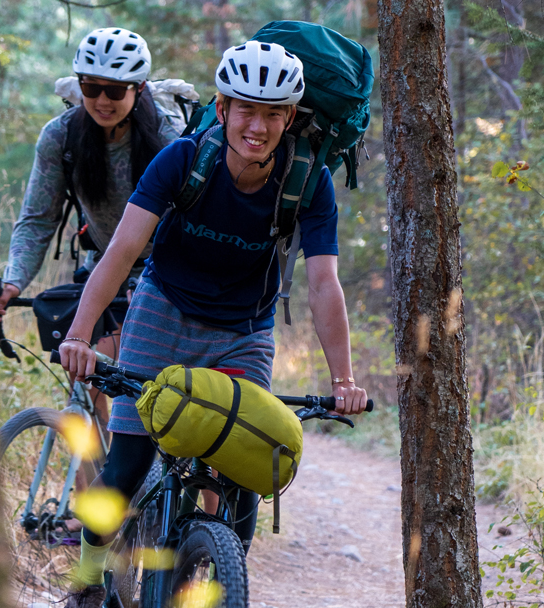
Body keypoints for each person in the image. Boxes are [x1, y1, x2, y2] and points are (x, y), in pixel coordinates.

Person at [58, 40, 369, 607]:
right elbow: (122, 251)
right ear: (222, 109)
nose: (258, 126)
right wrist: (80, 335)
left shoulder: (308, 181)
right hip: (162, 312)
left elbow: (324, 283)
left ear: (290, 118)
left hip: (243, 333)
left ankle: (220, 582)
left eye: (273, 114)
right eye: (245, 109)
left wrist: (344, 379)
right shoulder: (182, 160)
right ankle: (86, 580)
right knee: (127, 466)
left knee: (244, 477)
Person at [0, 27, 186, 409]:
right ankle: (91, 446)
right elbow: (38, 219)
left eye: (115, 90)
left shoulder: (170, 139)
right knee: (83, 376)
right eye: (91, 88)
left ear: (140, 88)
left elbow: (190, 224)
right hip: (103, 268)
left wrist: (155, 283)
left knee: (127, 379)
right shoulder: (60, 137)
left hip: (165, 273)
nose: (102, 101)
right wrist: (13, 279)